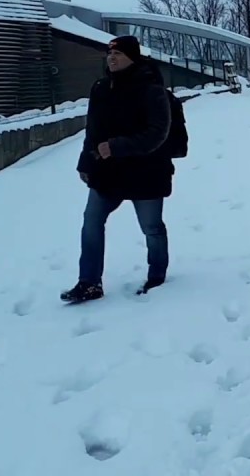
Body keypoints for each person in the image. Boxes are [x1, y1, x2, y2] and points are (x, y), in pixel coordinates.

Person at [62, 36, 175, 302]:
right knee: (91, 221)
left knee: (151, 227)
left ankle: (157, 277)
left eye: (119, 54)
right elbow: (93, 131)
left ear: (133, 58)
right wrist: (85, 162)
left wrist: (117, 146)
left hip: (146, 171)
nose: (111, 58)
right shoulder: (101, 88)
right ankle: (89, 282)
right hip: (108, 172)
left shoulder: (151, 89)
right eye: (109, 54)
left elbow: (158, 133)